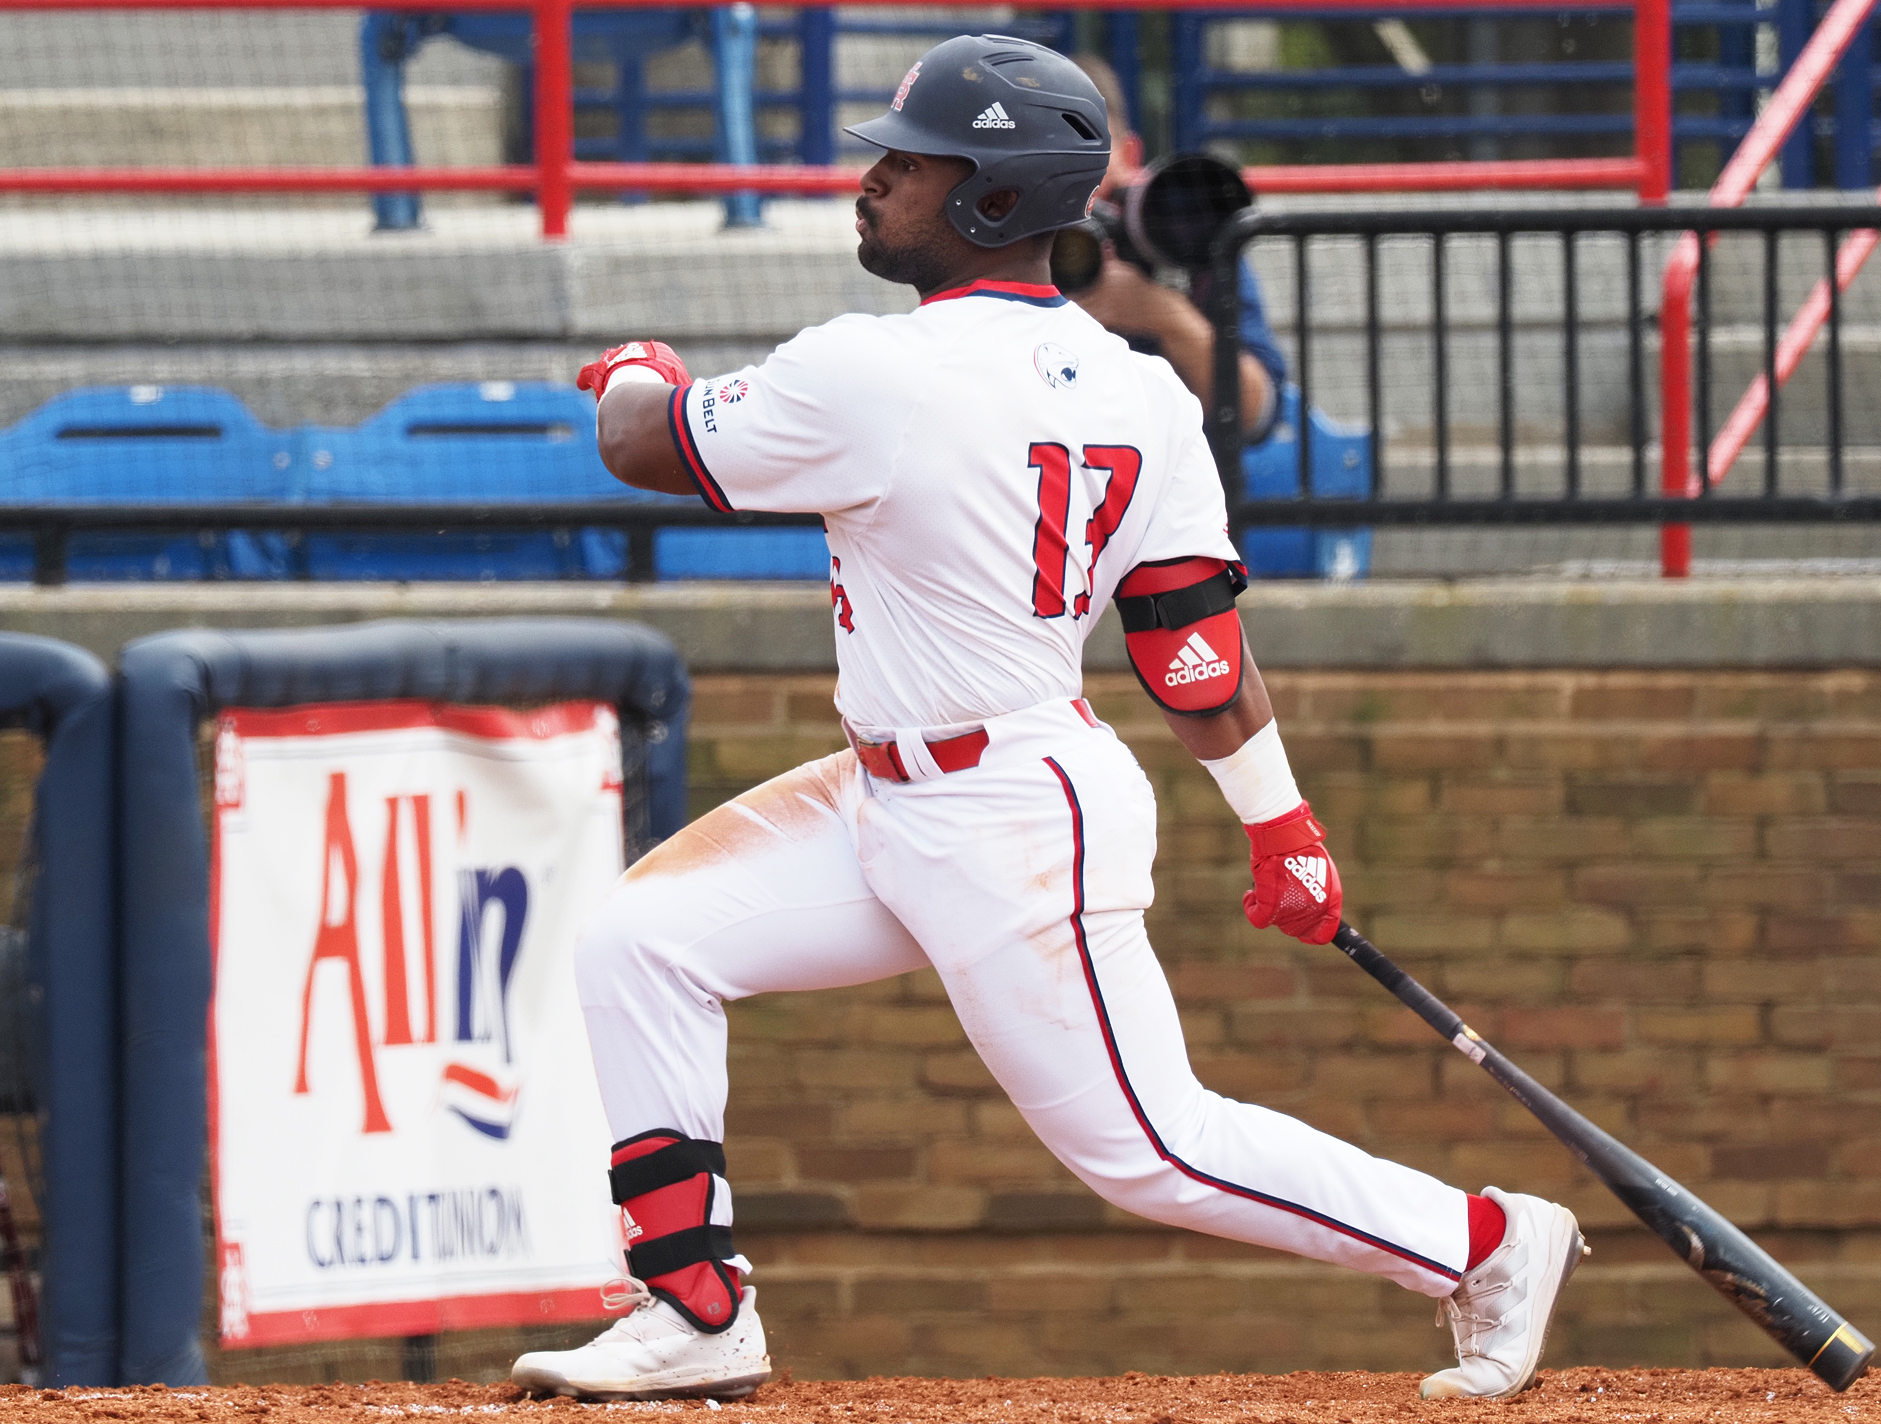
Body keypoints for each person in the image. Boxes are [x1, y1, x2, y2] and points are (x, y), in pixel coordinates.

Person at [509, 34, 1585, 1406]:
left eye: (912, 163)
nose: (875, 179)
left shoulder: (874, 369)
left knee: (1150, 1148)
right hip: (889, 791)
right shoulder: (1144, 384)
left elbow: (641, 441)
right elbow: (1190, 647)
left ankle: (1481, 1243)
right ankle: (693, 1307)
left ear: (996, 196)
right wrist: (1280, 823)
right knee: (641, 941)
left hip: (1011, 813)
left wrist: (631, 367)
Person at [1065, 54, 1285, 444]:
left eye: (1091, 149)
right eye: (1056, 158)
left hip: (1175, 474)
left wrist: (1163, 315)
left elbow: (1256, 413)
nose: (1077, 176)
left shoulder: (1187, 238)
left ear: (1130, 154)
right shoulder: (997, 244)